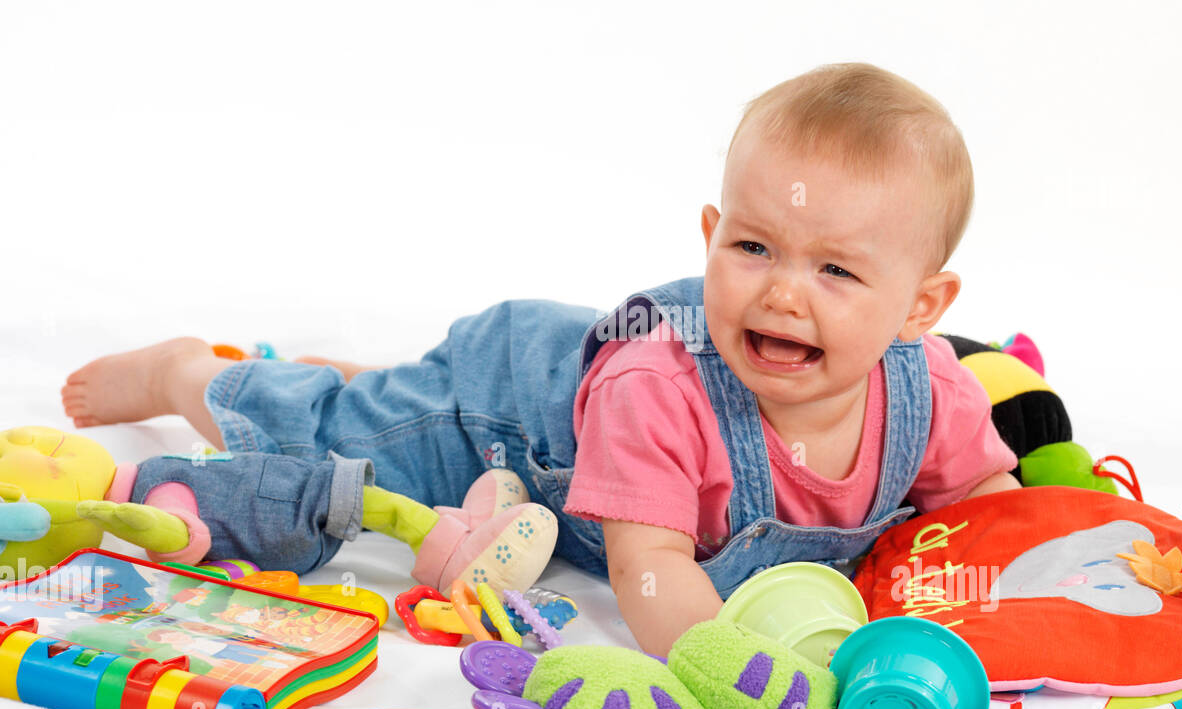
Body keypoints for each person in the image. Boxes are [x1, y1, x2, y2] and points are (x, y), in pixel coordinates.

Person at [62, 62, 1018, 656]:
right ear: (709, 233)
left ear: (920, 310)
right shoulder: (663, 388)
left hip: (544, 386)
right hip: (502, 415)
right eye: (753, 247)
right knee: (336, 437)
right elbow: (650, 577)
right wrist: (741, 669)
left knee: (379, 398)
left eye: (838, 269)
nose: (782, 292)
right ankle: (192, 373)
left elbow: (993, 511)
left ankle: (350, 375)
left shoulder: (929, 389)